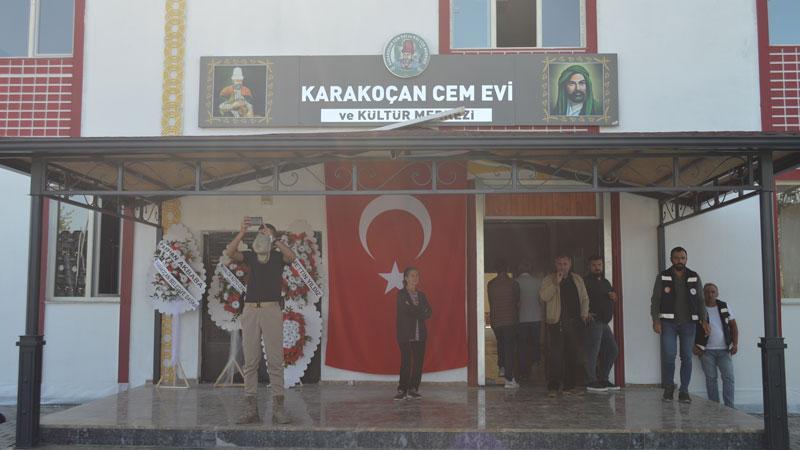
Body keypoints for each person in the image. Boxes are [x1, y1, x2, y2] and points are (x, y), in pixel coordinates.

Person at [226, 217, 296, 424]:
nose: (262, 236)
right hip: (250, 311)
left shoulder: (277, 257)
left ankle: (278, 409)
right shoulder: (249, 256)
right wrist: (242, 232)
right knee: (251, 362)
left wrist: (275, 239)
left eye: (266, 233)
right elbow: (230, 252)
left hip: (271, 310)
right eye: (260, 233)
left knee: (275, 361)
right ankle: (251, 410)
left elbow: (291, 257)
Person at [651, 246, 709, 404]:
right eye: (677, 258)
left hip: (688, 324)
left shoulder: (694, 276)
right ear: (671, 259)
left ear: (686, 259)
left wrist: (704, 320)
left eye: (683, 258)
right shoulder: (663, 276)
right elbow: (656, 299)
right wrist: (655, 320)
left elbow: (700, 300)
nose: (680, 261)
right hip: (668, 323)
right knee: (669, 357)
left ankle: (684, 391)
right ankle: (669, 389)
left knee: (686, 358)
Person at [539, 254, 590, 396]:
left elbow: (585, 298)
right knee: (555, 356)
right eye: (559, 264)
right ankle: (553, 387)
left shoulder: (577, 279)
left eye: (565, 263)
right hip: (556, 323)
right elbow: (543, 297)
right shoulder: (549, 279)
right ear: (555, 264)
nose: (562, 266)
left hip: (574, 323)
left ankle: (569, 386)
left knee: (572, 355)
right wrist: (556, 282)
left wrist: (584, 314)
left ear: (570, 264)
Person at [693, 283, 738, 408]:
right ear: (703, 294)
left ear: (717, 293)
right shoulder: (698, 308)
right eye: (707, 292)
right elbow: (690, 328)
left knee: (728, 378)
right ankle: (714, 407)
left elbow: (733, 326)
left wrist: (735, 343)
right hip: (706, 351)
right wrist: (693, 346)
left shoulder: (724, 306)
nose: (710, 294)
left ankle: (729, 407)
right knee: (711, 379)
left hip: (724, 350)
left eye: (713, 292)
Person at [394, 267, 433, 400]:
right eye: (412, 275)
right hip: (405, 334)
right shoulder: (401, 294)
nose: (415, 278)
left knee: (418, 362)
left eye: (417, 275)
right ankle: (402, 389)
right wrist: (420, 311)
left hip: (420, 334)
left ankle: (413, 388)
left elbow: (429, 312)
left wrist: (418, 311)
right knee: (406, 361)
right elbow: (407, 310)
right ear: (405, 278)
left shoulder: (422, 295)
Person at [583, 255, 620, 392]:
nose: (597, 267)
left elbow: (611, 296)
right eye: (594, 265)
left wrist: (613, 297)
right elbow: (581, 299)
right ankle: (591, 381)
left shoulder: (605, 282)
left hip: (604, 323)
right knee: (592, 352)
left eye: (599, 265)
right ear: (589, 266)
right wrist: (585, 312)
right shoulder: (585, 282)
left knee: (612, 350)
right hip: (593, 321)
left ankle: (603, 379)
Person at [487, 259, 521, 388]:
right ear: (507, 268)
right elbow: (517, 301)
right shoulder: (513, 284)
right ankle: (509, 378)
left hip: (496, 320)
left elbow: (491, 301)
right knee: (509, 348)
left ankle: (501, 366)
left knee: (500, 343)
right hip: (509, 320)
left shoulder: (490, 284)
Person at [516, 261, 543, 381]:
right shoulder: (538, 282)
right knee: (535, 342)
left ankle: (523, 369)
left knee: (522, 344)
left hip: (521, 318)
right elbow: (542, 300)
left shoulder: (515, 282)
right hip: (536, 317)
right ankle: (535, 364)